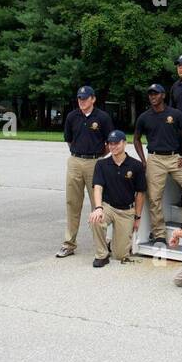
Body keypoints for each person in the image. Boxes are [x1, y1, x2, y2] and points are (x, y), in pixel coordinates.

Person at [57, 85, 115, 258]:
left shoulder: (103, 117)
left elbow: (110, 143)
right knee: (72, 203)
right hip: (75, 160)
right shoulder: (72, 116)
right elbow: (69, 140)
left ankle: (103, 241)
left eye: (85, 98)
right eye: (79, 98)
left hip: (95, 162)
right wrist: (78, 152)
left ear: (93, 99)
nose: (82, 101)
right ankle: (69, 243)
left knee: (98, 204)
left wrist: (97, 156)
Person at [134, 83, 182, 243]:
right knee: (154, 197)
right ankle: (159, 233)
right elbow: (136, 139)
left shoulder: (175, 114)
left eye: (156, 94)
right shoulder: (144, 117)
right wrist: (143, 160)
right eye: (150, 94)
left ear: (163, 95)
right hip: (154, 159)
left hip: (174, 158)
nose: (153, 97)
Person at [88, 130, 145, 268]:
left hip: (126, 211)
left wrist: (137, 217)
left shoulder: (136, 165)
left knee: (120, 255)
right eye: (110, 144)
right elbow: (98, 187)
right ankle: (102, 255)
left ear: (124, 143)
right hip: (108, 206)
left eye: (116, 143)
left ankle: (112, 244)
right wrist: (98, 208)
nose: (113, 146)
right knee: (95, 219)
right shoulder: (101, 164)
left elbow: (141, 193)